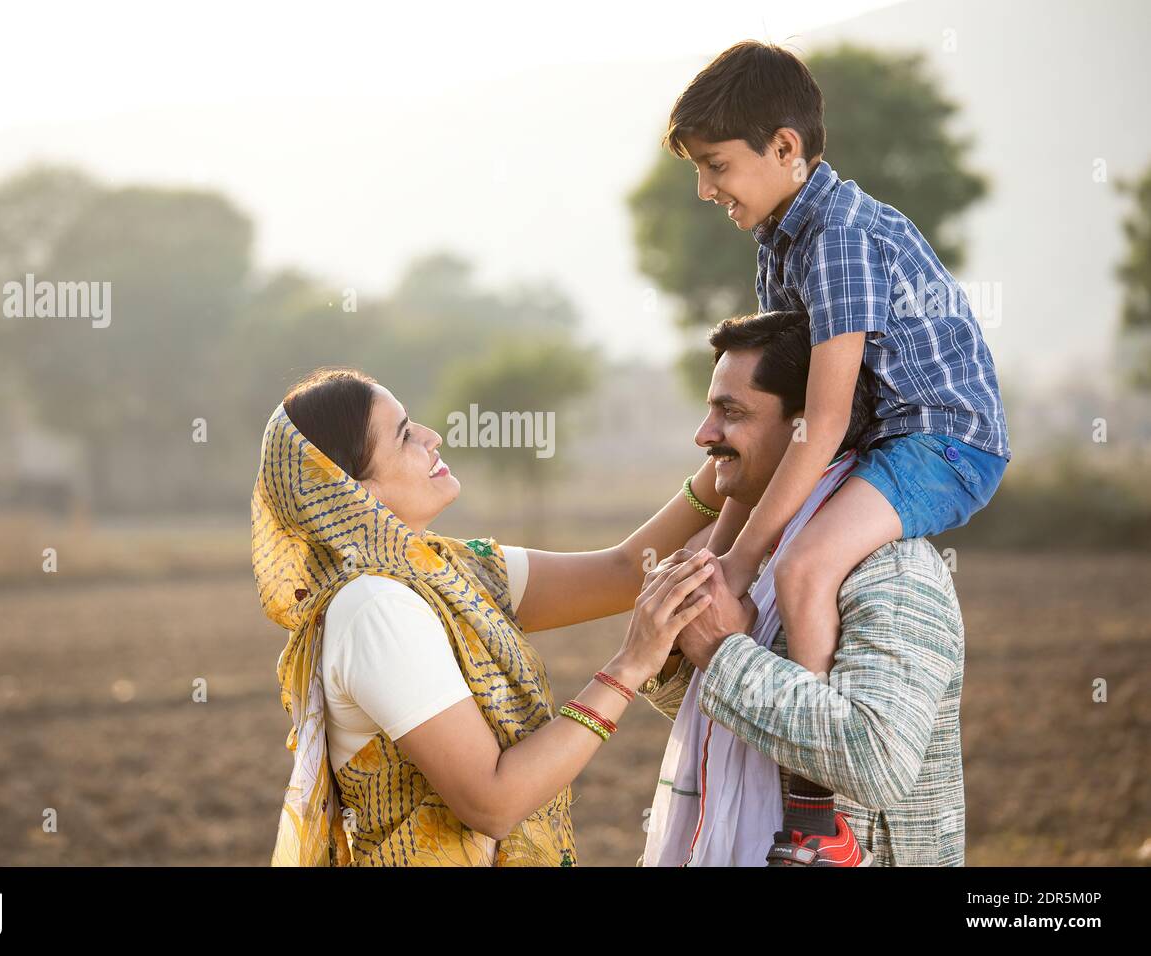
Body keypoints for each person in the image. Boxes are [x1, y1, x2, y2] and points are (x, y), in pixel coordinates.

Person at [661, 40, 1008, 857]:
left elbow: (816, 424)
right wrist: (710, 568)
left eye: (716, 166)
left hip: (940, 439)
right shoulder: (780, 236)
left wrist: (741, 569)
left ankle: (815, 809)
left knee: (804, 567)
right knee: (768, 559)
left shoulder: (842, 238)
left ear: (786, 149)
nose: (706, 189)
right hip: (878, 435)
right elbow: (780, 417)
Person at [251, 367, 744, 866]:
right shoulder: (377, 607)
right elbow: (493, 802)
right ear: (353, 492)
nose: (431, 437)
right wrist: (630, 666)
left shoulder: (447, 569)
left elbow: (622, 570)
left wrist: (732, 451)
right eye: (404, 437)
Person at [641, 310, 967, 866]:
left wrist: (720, 652)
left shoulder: (890, 568)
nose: (705, 434)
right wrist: (673, 647)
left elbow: (875, 761)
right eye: (709, 409)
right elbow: (749, 732)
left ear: (807, 431)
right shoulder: (756, 550)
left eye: (731, 412)